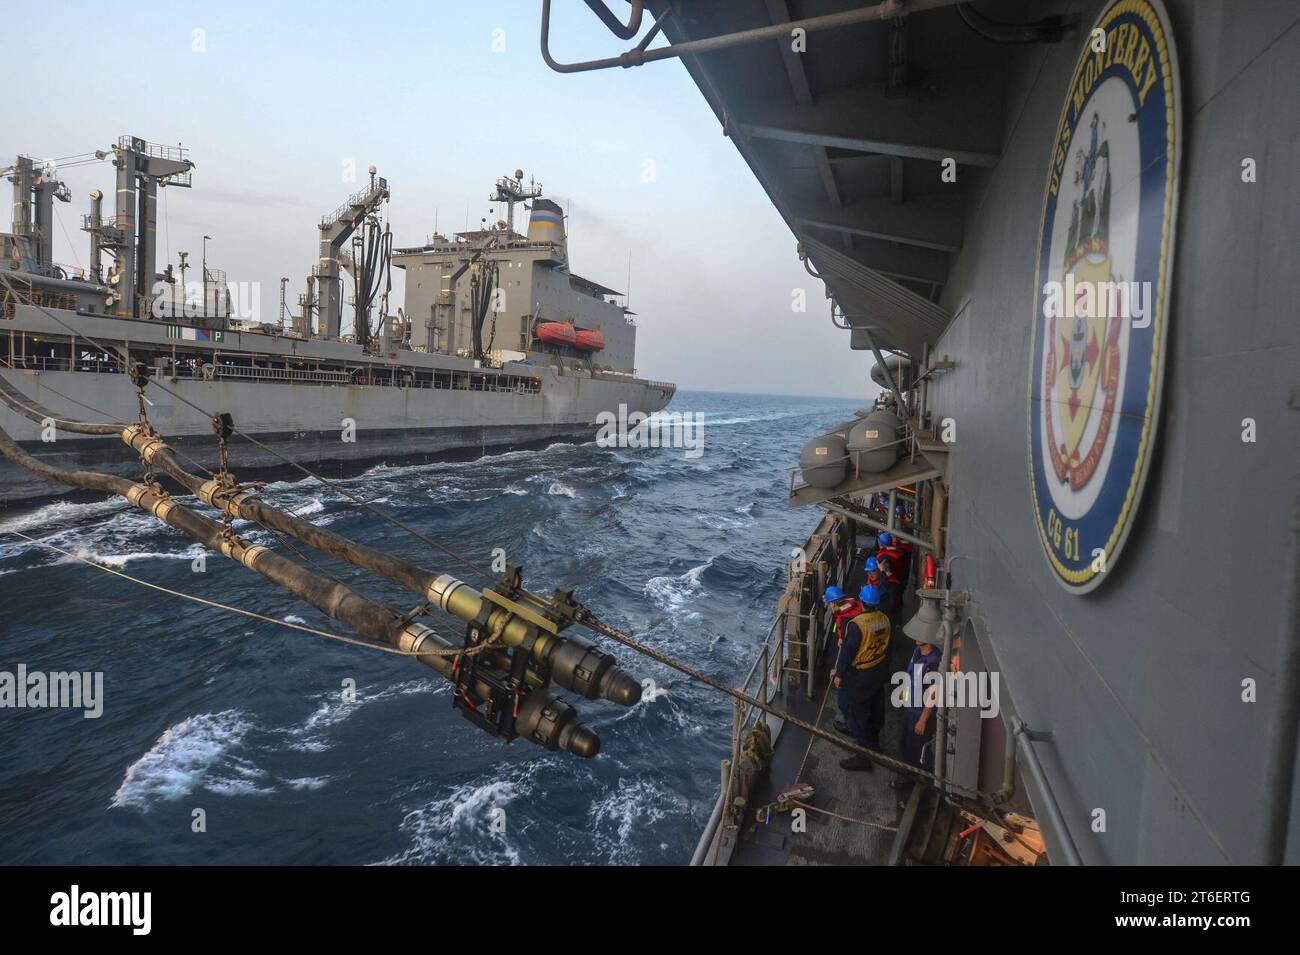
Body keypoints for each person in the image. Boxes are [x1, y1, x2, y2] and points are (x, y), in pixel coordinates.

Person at [833, 583, 892, 772]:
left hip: (862, 673)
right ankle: (873, 744)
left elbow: (847, 652)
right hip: (879, 668)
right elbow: (888, 645)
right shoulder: (884, 619)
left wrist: (839, 674)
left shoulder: (857, 625)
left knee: (858, 711)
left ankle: (863, 757)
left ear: (861, 601)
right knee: (875, 707)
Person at [892, 636, 943, 796]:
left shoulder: (934, 662)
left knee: (915, 749)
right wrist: (903, 690)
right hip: (910, 707)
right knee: (905, 743)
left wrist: (922, 720)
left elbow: (933, 695)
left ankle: (917, 778)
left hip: (920, 713)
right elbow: (911, 674)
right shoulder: (917, 651)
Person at [824, 585, 863, 733]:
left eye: (829, 603)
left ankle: (852, 726)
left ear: (834, 603)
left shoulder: (848, 621)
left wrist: (839, 673)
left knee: (844, 699)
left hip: (855, 665)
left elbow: (847, 653)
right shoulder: (850, 608)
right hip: (859, 657)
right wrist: (840, 637)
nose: (829, 606)